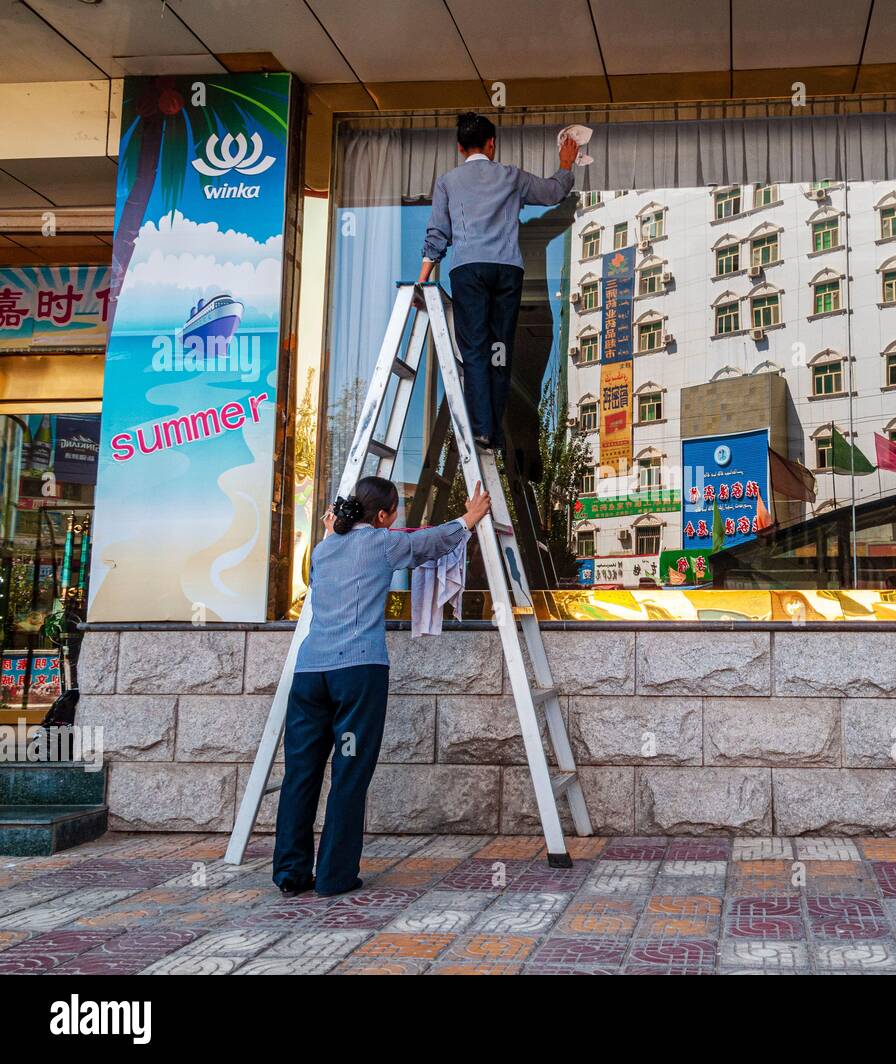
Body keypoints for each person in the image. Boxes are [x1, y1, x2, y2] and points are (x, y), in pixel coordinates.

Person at [272, 475, 492, 897]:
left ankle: (290, 874)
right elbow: (427, 543)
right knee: (349, 772)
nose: (395, 523)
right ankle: (334, 877)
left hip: (309, 676)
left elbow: (334, 575)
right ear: (382, 516)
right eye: (394, 515)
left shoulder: (322, 549)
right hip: (356, 677)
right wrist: (469, 518)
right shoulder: (381, 543)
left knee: (301, 773)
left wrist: (330, 532)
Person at [418, 111, 579, 450]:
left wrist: (422, 281)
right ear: (491, 145)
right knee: (500, 349)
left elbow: (437, 235)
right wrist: (567, 164)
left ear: (461, 148)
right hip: (507, 269)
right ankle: (495, 427)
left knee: (474, 349)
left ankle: (483, 429)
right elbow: (552, 194)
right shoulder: (511, 176)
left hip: (468, 269)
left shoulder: (448, 182)